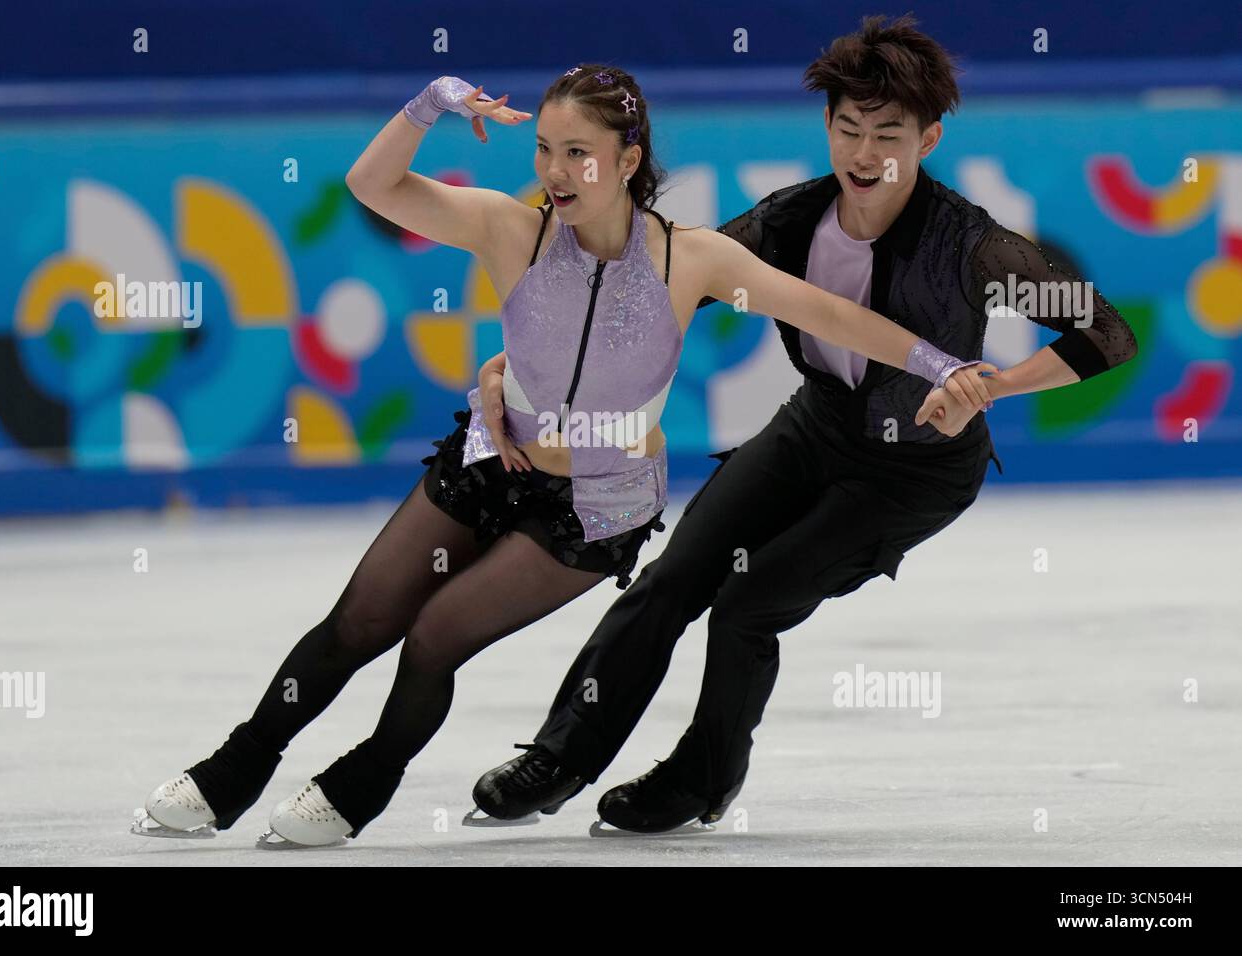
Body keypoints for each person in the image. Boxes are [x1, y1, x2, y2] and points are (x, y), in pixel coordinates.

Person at [129, 62, 990, 847]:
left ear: (627, 159)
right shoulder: (512, 231)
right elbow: (372, 184)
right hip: (491, 463)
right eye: (544, 149)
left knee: (432, 639)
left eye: (577, 152)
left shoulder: (690, 259)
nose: (553, 170)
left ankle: (361, 784)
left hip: (597, 506)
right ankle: (231, 771)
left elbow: (830, 317)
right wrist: (431, 103)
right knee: (358, 622)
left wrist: (941, 364)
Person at [472, 17, 1139, 834]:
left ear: (928, 138)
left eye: (888, 134)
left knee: (750, 600)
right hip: (812, 431)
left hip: (917, 471)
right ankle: (560, 757)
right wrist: (525, 368)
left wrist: (993, 385)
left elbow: (1106, 333)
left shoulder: (974, 246)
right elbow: (649, 296)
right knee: (675, 575)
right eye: (848, 130)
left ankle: (701, 778)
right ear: (826, 127)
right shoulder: (788, 221)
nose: (865, 155)